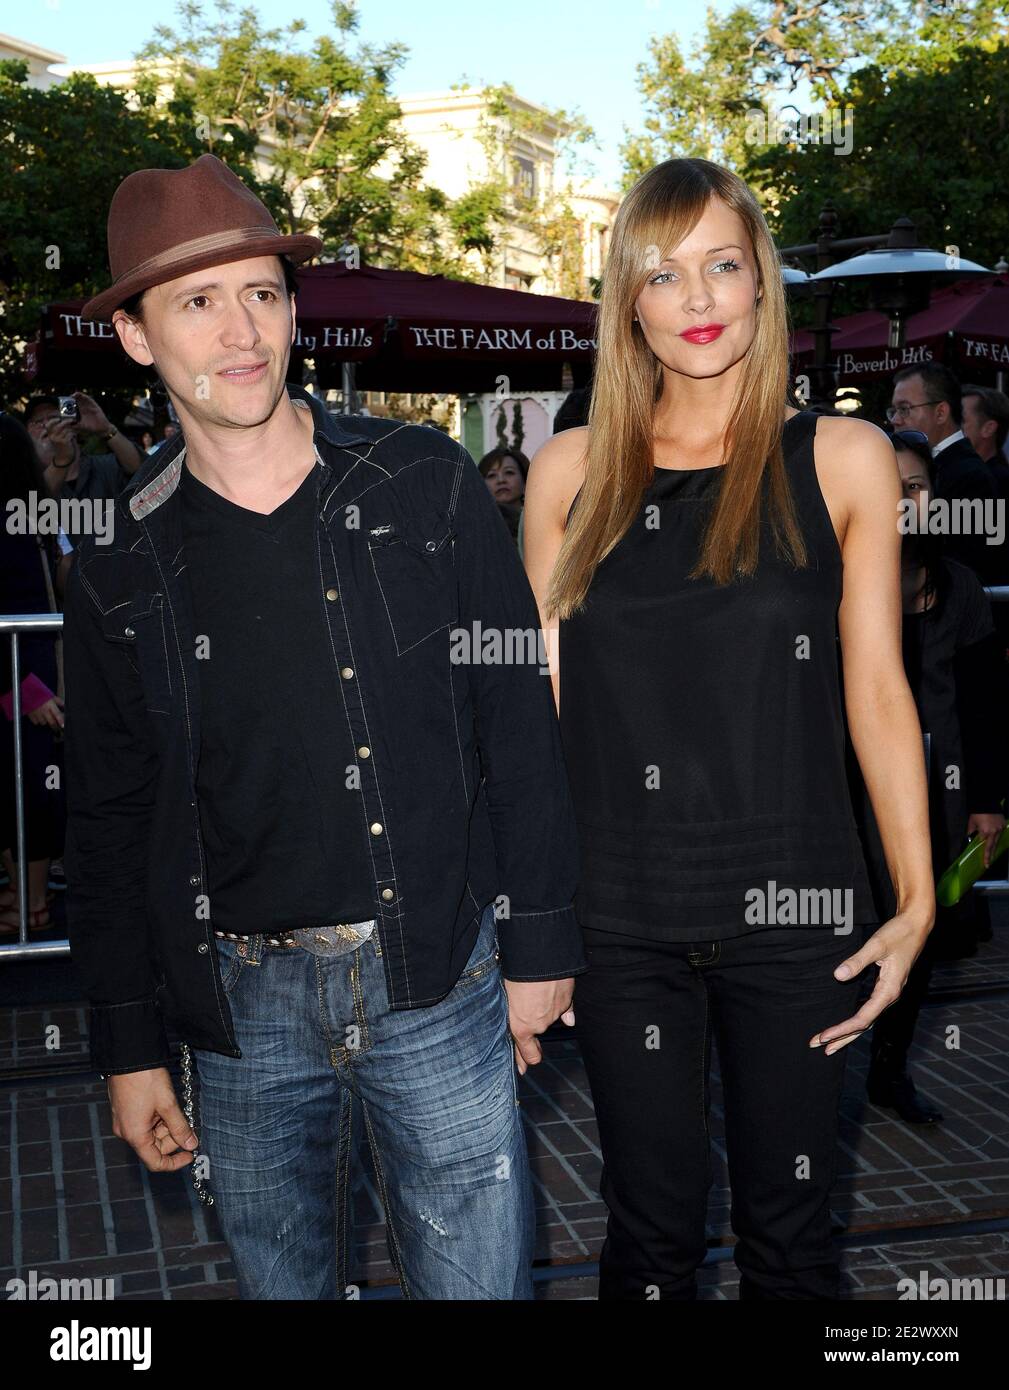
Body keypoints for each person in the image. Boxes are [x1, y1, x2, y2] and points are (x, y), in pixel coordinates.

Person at [62, 152, 585, 1301]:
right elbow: (102, 823)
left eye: (262, 291)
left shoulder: (422, 480)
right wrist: (128, 1045)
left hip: (437, 977)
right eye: (197, 302)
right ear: (139, 339)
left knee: (480, 1288)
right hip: (237, 1014)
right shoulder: (112, 559)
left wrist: (541, 944)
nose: (241, 330)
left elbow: (517, 721)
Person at [522, 157, 935, 1300]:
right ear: (629, 303)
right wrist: (530, 931)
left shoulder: (841, 458)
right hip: (620, 922)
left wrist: (914, 900)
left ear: (760, 285)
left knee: (791, 1245)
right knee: (647, 1240)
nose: (698, 300)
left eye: (723, 266)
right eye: (665, 274)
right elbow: (540, 719)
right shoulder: (570, 474)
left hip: (797, 912)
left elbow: (878, 692)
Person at [847, 428, 1007, 1124]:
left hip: (935, 795)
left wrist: (986, 803)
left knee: (918, 932)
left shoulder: (961, 585)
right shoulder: (835, 577)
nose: (901, 498)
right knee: (836, 933)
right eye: (887, 484)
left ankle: (887, 1071)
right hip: (845, 791)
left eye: (913, 485)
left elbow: (981, 703)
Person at [0, 411, 69, 934]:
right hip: (25, 670)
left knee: (29, 787)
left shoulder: (27, 511)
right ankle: (27, 897)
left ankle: (33, 901)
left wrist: (29, 687)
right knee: (17, 783)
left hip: (28, 672)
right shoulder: (26, 510)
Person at [888, 365, 998, 583]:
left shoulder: (969, 476)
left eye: (905, 409)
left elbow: (960, 563)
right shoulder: (954, 468)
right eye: (894, 410)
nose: (895, 420)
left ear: (941, 413)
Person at [25, 393, 143, 548]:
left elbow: (143, 471)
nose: (47, 425)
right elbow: (32, 508)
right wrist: (62, 458)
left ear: (71, 423)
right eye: (38, 422)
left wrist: (106, 429)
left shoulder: (106, 466)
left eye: (54, 417)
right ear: (25, 433)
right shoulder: (24, 482)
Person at [478, 445, 529, 543]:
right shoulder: (475, 526)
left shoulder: (538, 522)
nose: (501, 480)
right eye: (491, 475)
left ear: (526, 483)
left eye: (509, 472)